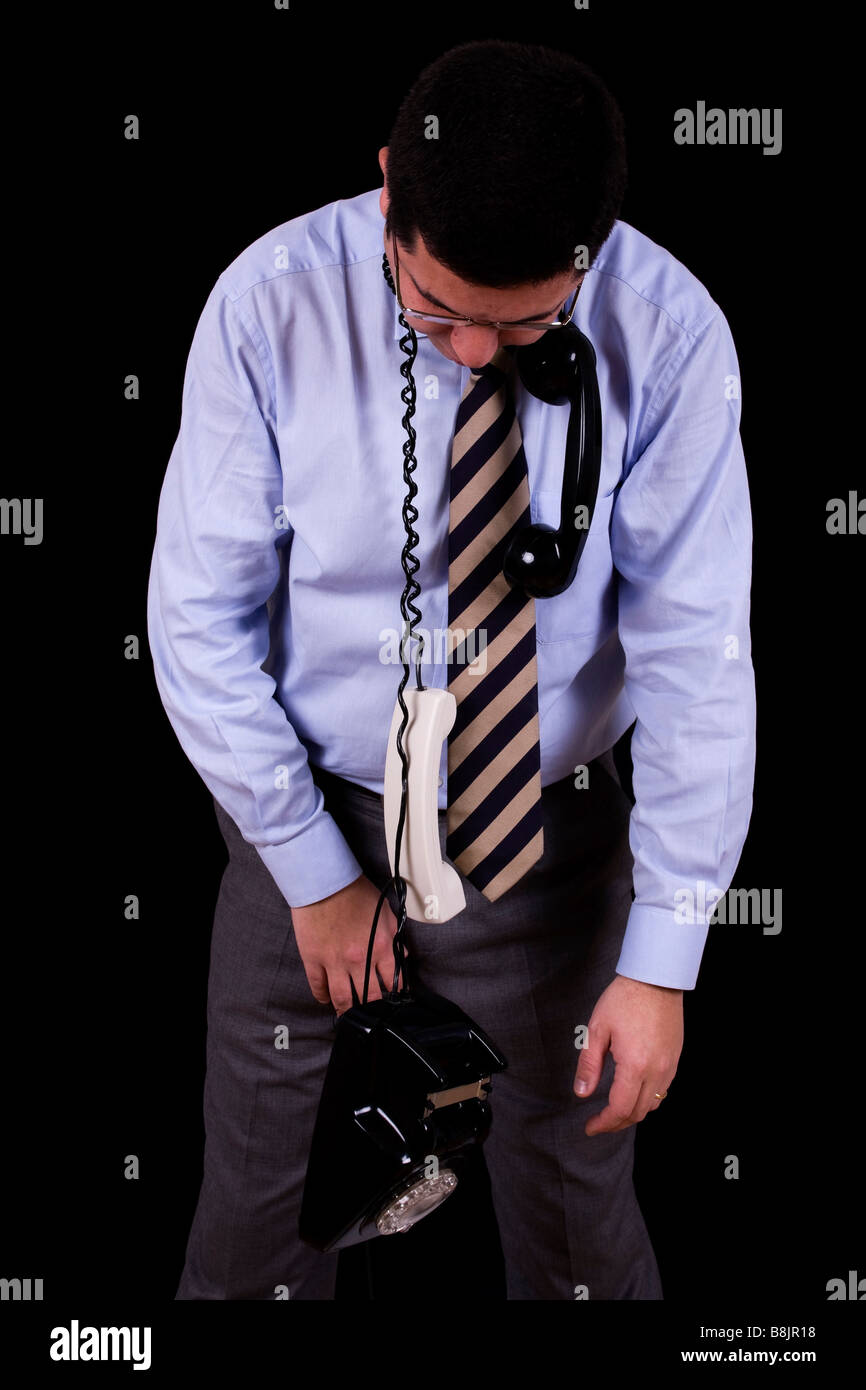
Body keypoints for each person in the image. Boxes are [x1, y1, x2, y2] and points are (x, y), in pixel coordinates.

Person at [147, 39, 756, 1301]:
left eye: (524, 322)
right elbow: (198, 623)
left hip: (549, 851)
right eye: (435, 313)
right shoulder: (270, 305)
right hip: (307, 825)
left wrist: (660, 955)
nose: (475, 355)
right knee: (257, 1228)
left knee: (579, 1229)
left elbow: (698, 659)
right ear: (387, 191)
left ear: (591, 247)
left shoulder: (672, 335)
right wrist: (312, 876)